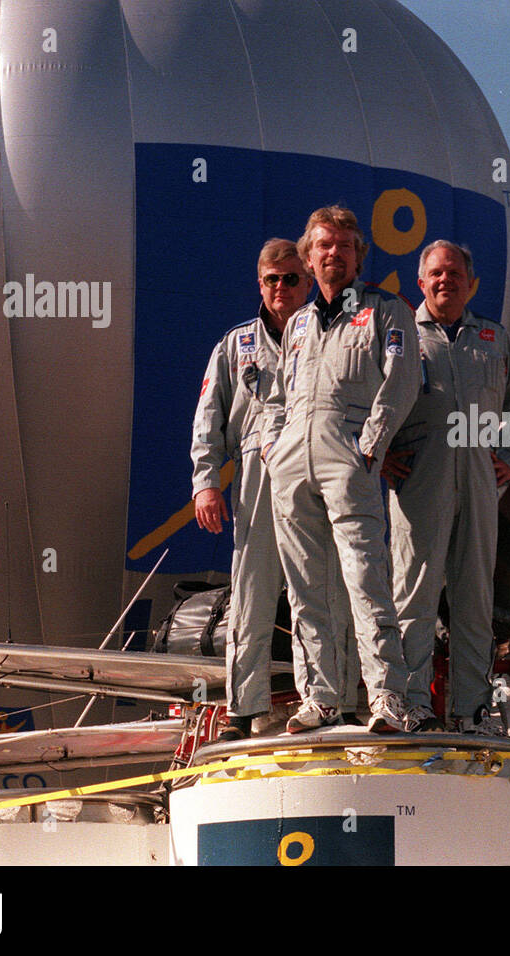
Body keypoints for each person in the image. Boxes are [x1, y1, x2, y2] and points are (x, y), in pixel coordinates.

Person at [261, 206, 420, 733]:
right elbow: (279, 393)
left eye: (345, 246)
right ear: (308, 257)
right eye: (324, 246)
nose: (335, 254)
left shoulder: (385, 310)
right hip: (291, 460)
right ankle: (321, 698)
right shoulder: (299, 323)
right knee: (304, 585)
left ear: (358, 256)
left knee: (365, 577)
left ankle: (388, 698)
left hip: (346, 452)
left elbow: (401, 381)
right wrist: (271, 444)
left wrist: (370, 447)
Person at [384, 241, 510, 734]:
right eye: (435, 273)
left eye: (454, 272)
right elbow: (366, 403)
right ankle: (411, 706)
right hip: (419, 481)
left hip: (478, 483)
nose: (445, 280)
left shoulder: (494, 338)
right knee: (414, 598)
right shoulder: (400, 335)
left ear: (471, 282)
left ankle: (471, 710)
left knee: (474, 602)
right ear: (420, 283)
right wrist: (381, 453)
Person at [191, 238, 312, 741]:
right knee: (252, 591)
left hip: (312, 469)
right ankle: (243, 709)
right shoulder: (236, 345)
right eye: (271, 279)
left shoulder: (326, 335)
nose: (280, 288)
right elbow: (209, 417)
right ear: (259, 284)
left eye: (290, 278)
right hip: (257, 476)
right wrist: (205, 482)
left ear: (306, 282)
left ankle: (322, 701)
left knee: (316, 590)